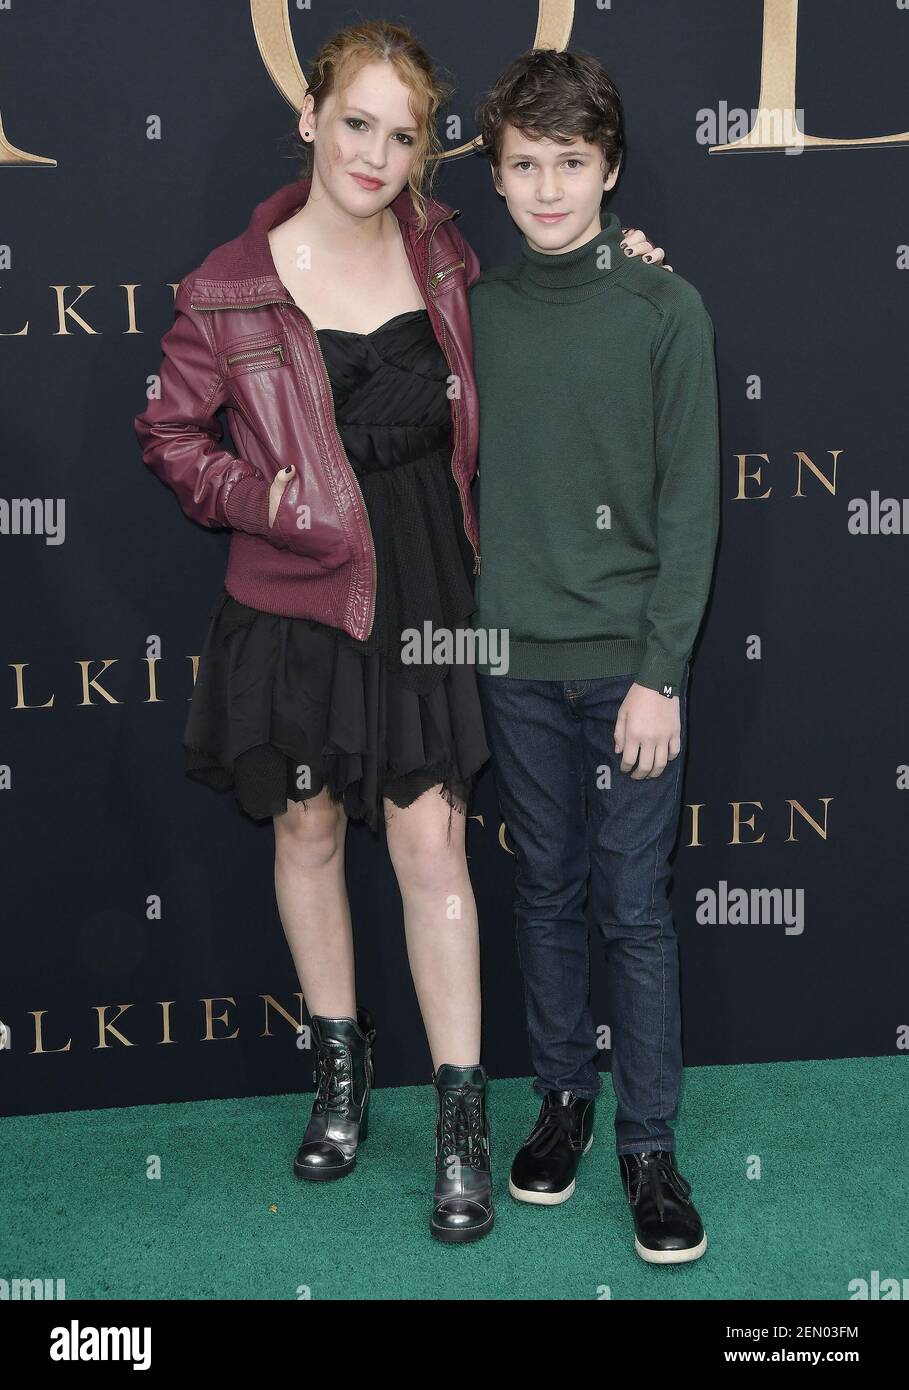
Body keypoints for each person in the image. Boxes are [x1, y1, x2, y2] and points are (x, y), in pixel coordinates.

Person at [134, 20, 665, 1245]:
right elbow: (169, 436)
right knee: (310, 825)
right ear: (311, 119)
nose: (375, 151)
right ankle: (338, 1073)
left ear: (429, 153)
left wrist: (629, 255)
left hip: (431, 587)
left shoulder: (448, 256)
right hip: (293, 592)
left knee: (435, 843)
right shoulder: (229, 283)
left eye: (405, 133)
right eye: (356, 122)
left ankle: (461, 1120)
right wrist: (256, 497)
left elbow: (557, 296)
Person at [468, 48, 720, 1263]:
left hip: (632, 673)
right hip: (512, 660)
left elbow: (689, 510)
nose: (550, 188)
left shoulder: (664, 308)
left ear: (610, 169)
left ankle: (649, 1146)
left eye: (571, 163)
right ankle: (563, 1099)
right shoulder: (469, 312)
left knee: (634, 906)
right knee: (547, 892)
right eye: (525, 165)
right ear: (497, 178)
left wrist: (662, 672)